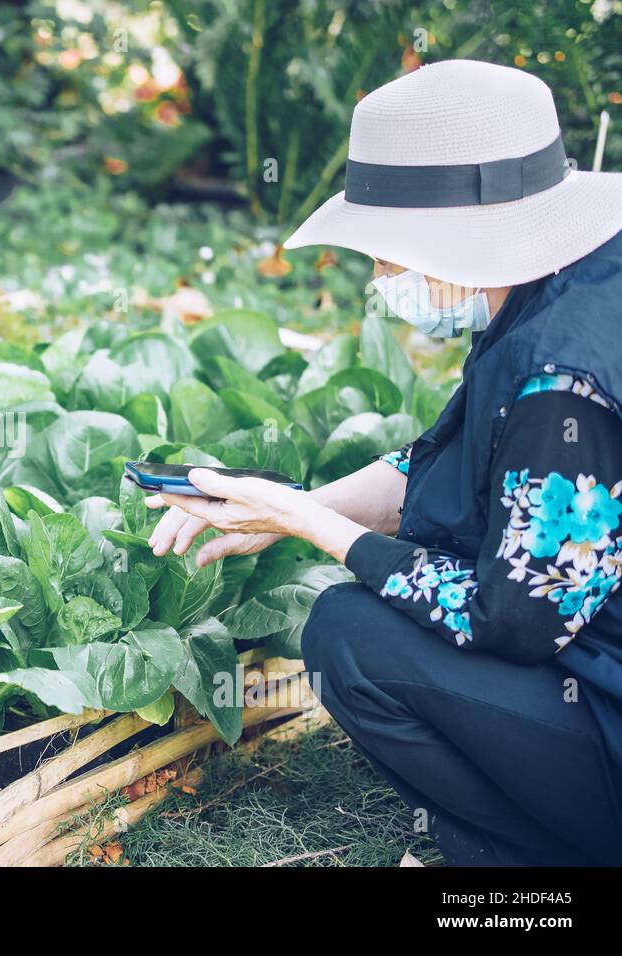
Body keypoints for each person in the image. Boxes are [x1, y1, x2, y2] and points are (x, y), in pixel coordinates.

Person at [147, 60, 622, 865]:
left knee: (348, 634)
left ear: (454, 239)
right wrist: (279, 510)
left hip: (589, 675)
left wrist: (314, 526)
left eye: (389, 255)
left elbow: (513, 620)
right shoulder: (569, 281)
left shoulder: (563, 386)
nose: (380, 279)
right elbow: (443, 458)